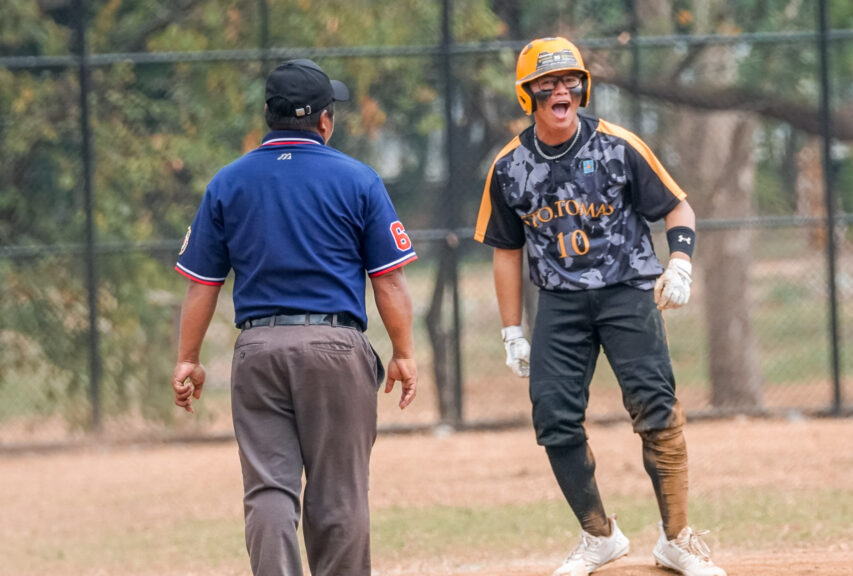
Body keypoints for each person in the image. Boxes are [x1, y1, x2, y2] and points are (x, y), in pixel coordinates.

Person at [474, 37, 726, 576]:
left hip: (627, 291)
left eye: (570, 80)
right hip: (560, 304)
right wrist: (511, 331)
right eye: (548, 83)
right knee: (554, 419)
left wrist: (679, 264)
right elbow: (505, 251)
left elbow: (678, 208)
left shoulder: (617, 145)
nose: (561, 90)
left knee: (656, 412)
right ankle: (599, 536)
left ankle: (676, 538)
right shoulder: (509, 166)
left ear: (583, 88)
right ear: (528, 95)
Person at [171, 58, 418, 576]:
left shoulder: (228, 182)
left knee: (268, 491)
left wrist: (188, 360)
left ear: (268, 114)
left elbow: (203, 284)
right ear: (325, 120)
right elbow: (388, 280)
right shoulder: (358, 179)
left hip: (258, 351)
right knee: (340, 494)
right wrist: (404, 353)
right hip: (334, 347)